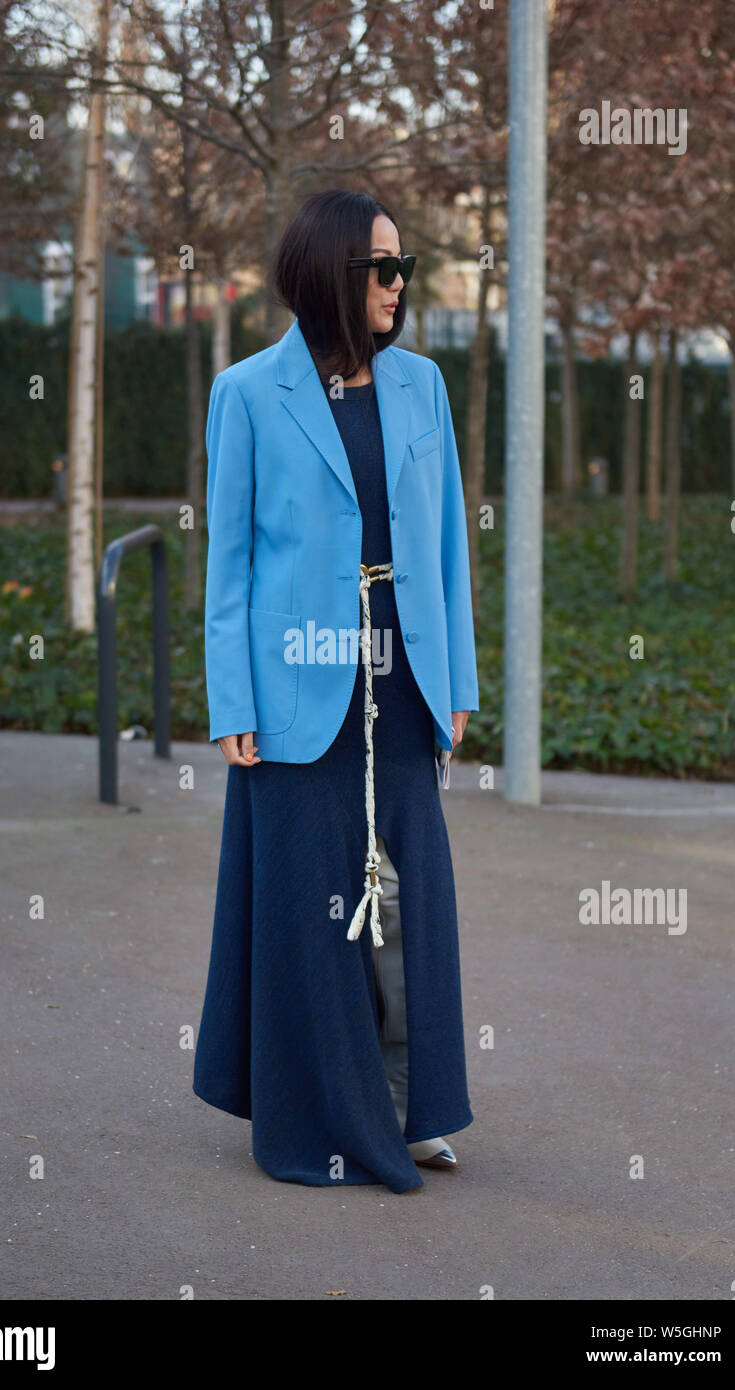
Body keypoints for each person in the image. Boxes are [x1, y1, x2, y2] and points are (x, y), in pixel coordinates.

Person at [192, 188, 479, 1194]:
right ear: (333, 275)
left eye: (404, 266)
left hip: (405, 674)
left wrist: (460, 683)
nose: (402, 284)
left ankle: (414, 1106)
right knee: (313, 902)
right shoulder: (247, 393)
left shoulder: (423, 388)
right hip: (291, 688)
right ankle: (318, 1114)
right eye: (385, 268)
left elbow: (446, 547)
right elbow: (227, 567)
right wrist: (231, 700)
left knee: (409, 896)